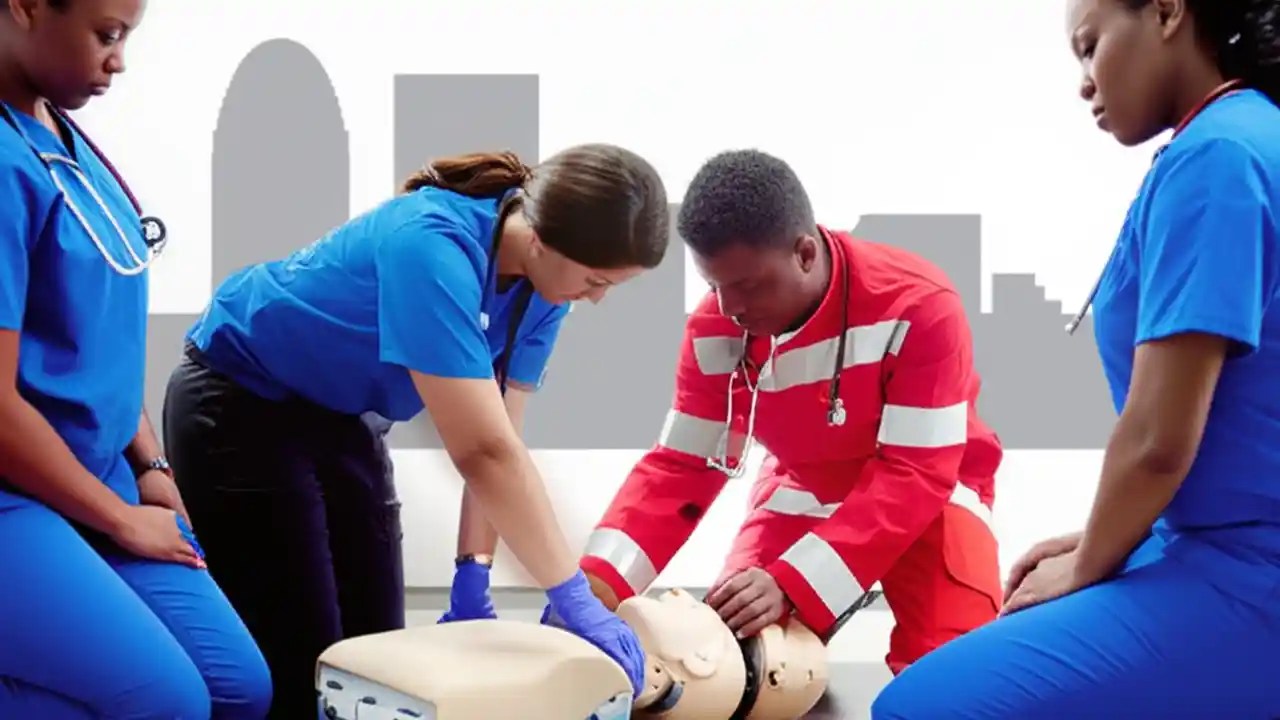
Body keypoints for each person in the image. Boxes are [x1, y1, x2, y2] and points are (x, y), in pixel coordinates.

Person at [871, 1, 1280, 717]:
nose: (1085, 82)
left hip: (1252, 573)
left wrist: (1091, 561)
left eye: (1090, 47)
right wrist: (1103, 538)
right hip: (1212, 543)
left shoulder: (1216, 159)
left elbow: (1158, 442)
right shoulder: (1246, 136)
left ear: (1165, 11)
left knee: (921, 706)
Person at [162, 144, 667, 717]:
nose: (598, 297)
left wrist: (472, 572)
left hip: (342, 417)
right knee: (305, 665)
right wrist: (571, 594)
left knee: (380, 660)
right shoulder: (430, 244)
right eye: (596, 279)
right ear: (542, 239)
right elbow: (483, 452)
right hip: (239, 400)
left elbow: (504, 441)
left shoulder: (545, 290)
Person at [561, 148, 1005, 676]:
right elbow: (680, 470)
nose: (729, 309)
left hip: (933, 495)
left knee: (952, 683)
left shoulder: (919, 304)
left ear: (805, 254)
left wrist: (794, 582)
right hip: (803, 483)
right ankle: (832, 597)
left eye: (746, 285)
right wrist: (589, 589)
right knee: (731, 666)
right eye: (713, 285)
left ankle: (843, 591)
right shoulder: (716, 326)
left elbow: (916, 472)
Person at [0, 0, 273, 717]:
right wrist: (121, 522)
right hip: (12, 488)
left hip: (97, 469)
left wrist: (149, 465)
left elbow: (100, 336)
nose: (118, 60)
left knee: (238, 689)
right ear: (26, 8)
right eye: (107, 35)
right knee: (167, 704)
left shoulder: (62, 136)